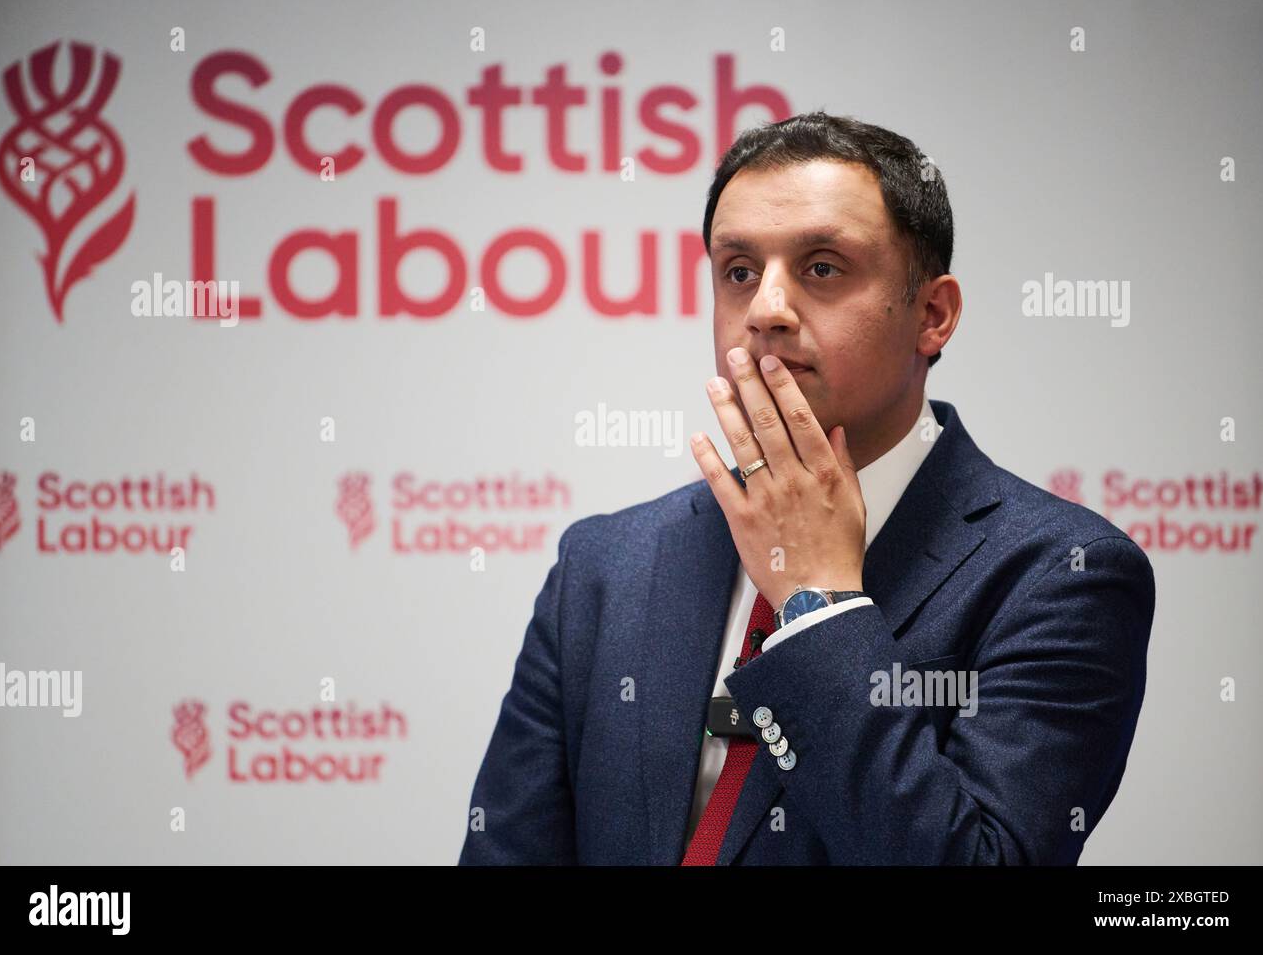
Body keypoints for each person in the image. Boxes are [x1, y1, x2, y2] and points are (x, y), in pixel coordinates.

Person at [458, 111, 1155, 865]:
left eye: (823, 268)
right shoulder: (604, 564)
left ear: (933, 314)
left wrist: (819, 604)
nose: (766, 311)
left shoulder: (1063, 575)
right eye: (739, 272)